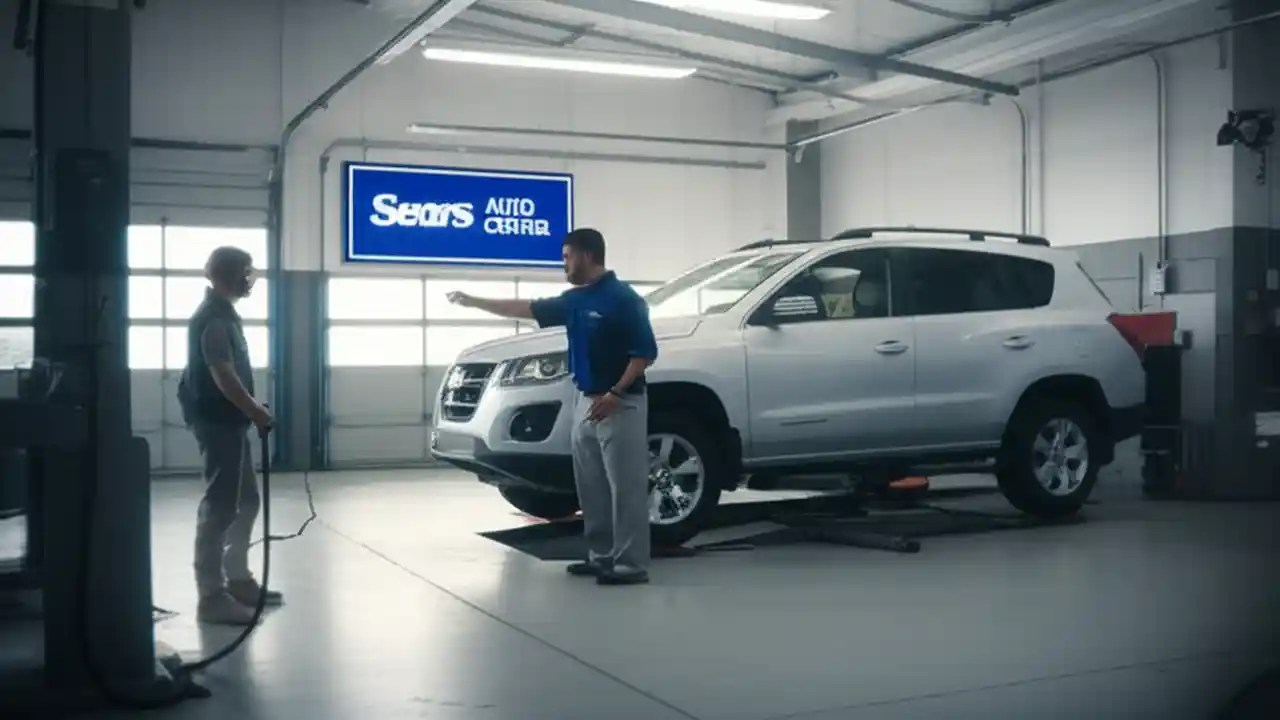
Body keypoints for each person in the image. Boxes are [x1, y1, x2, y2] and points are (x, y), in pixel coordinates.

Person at [448, 228, 658, 585]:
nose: (563, 264)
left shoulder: (624, 299)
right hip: (585, 401)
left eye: (566, 257)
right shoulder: (574, 300)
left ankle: (631, 565)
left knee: (626, 489)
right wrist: (473, 301)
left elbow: (644, 354)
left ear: (587, 256)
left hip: (620, 405)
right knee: (592, 488)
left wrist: (615, 394)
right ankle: (601, 556)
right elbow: (525, 308)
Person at [177, 246, 281, 625]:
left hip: (231, 421)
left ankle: (238, 579)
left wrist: (249, 412)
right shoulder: (214, 320)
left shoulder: (226, 316)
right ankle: (211, 596)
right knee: (220, 506)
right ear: (230, 274)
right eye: (245, 272)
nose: (249, 280)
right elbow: (223, 375)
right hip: (218, 422)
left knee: (247, 500)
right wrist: (255, 411)